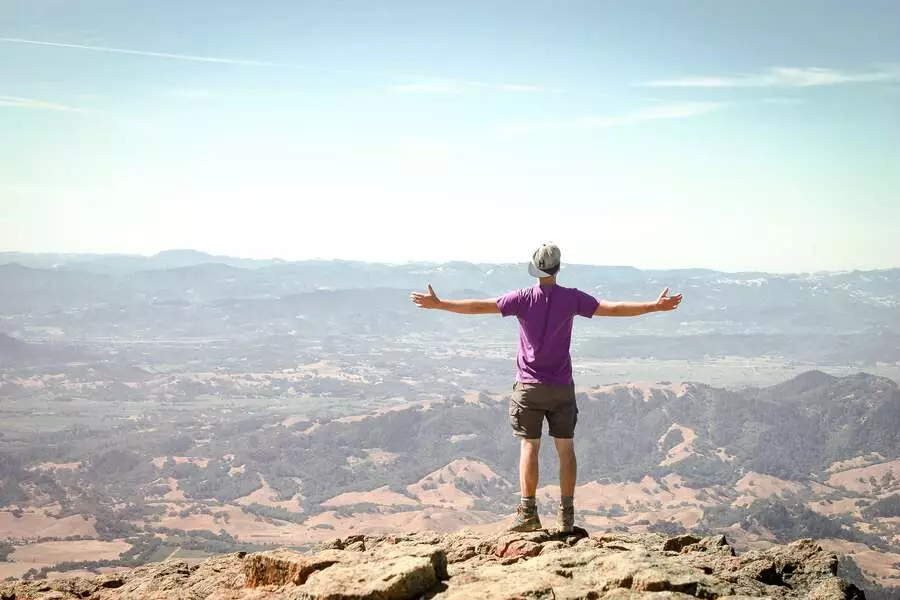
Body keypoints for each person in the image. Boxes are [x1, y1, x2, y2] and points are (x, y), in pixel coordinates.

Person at [410, 243, 683, 533]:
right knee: (565, 448)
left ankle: (528, 513)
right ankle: (566, 516)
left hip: (528, 386)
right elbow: (612, 308)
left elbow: (479, 306)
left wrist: (440, 304)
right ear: (558, 268)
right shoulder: (572, 299)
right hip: (561, 387)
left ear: (535, 269)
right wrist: (653, 307)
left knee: (529, 446)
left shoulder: (522, 298)